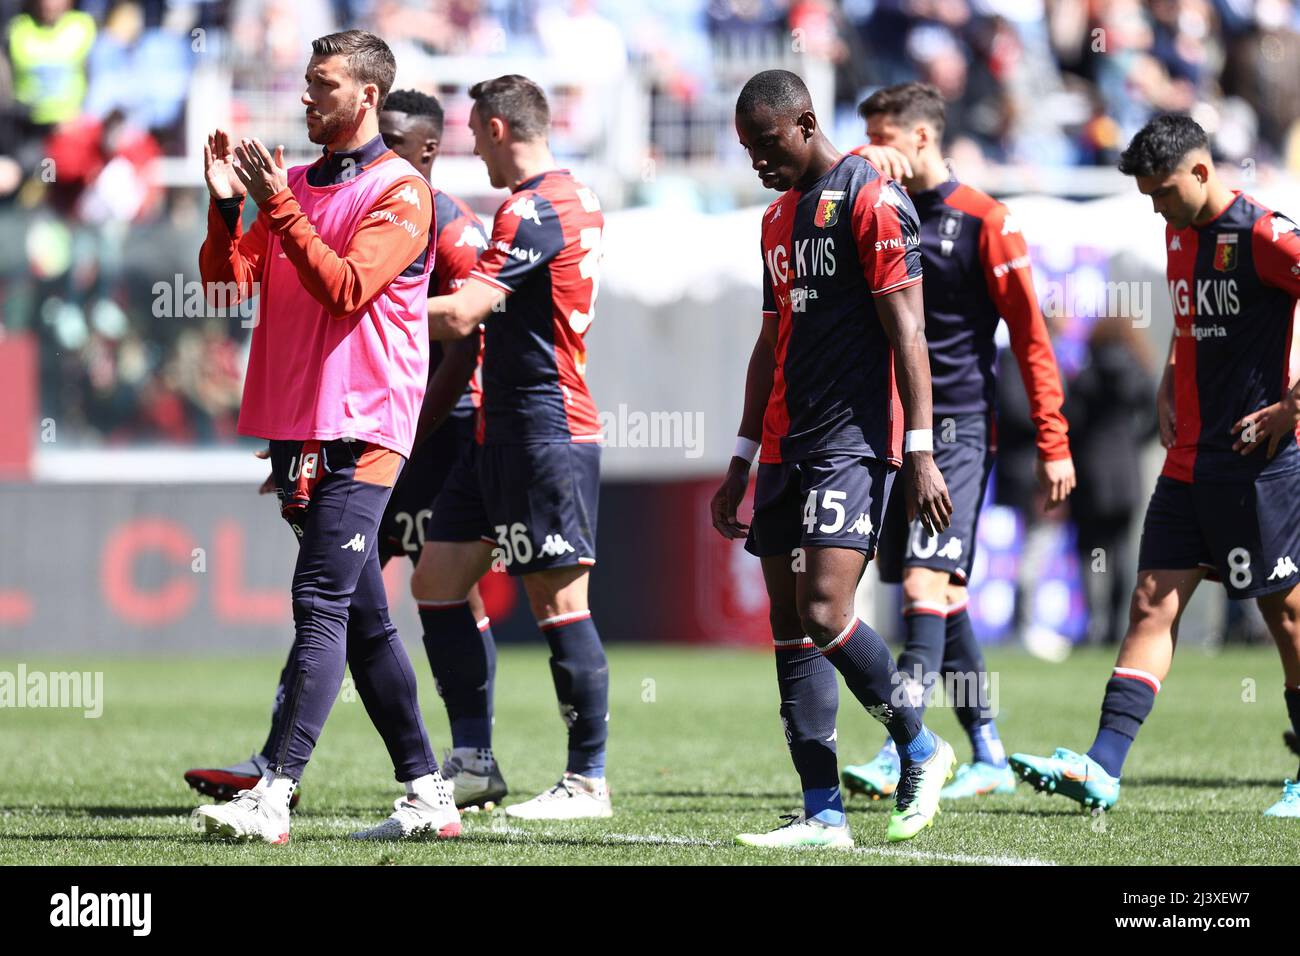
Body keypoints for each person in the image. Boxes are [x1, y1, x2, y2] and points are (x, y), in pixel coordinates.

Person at [182, 88, 505, 811]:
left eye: (320, 83)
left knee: (318, 601)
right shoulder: (293, 184)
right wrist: (229, 208)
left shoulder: (401, 191)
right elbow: (227, 290)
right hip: (303, 428)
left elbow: (347, 287)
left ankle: (274, 791)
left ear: (362, 93)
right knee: (363, 620)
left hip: (368, 425)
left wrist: (278, 208)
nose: (305, 94)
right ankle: (428, 791)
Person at [1011, 114, 1300, 819]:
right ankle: (1102, 767)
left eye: (1164, 192)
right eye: (1147, 196)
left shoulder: (1265, 234)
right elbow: (1188, 318)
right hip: (1186, 462)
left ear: (1202, 171)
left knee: (1287, 618)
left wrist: (1294, 409)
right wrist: (1173, 375)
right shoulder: (1177, 230)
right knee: (1150, 602)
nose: (1157, 208)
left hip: (1256, 462)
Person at [711, 68, 956, 849]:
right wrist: (743, 458)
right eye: (746, 149)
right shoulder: (776, 219)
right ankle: (822, 813)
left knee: (824, 609)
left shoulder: (870, 198)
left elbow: (909, 334)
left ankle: (920, 744)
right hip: (786, 443)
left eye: (766, 143)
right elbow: (768, 341)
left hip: (851, 440)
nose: (756, 160)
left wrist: (920, 450)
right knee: (789, 625)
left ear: (806, 122)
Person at [841, 82, 1076, 801]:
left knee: (922, 584)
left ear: (920, 136)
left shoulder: (985, 220)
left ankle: (900, 746)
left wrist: (1053, 441)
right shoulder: (874, 210)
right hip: (889, 426)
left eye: (884, 137)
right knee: (942, 595)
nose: (873, 153)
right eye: (865, 138)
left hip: (957, 431)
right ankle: (989, 751)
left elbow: (1032, 338)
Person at [420, 75, 613, 820]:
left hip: (545, 427)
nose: (470, 145)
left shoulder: (534, 208)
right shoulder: (574, 197)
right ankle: (473, 762)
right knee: (436, 579)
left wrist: (361, 304)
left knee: (558, 601)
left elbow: (466, 311)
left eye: (474, 130)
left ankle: (586, 781)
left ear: (500, 128)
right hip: (496, 428)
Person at [1065, 317, 1158, 647]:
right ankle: (1117, 628)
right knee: (1120, 552)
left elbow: (1069, 423)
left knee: (1090, 552)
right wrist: (1134, 442)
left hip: (1090, 475)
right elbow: (1158, 416)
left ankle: (1094, 623)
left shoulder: (1084, 377)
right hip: (1126, 476)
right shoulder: (1137, 374)